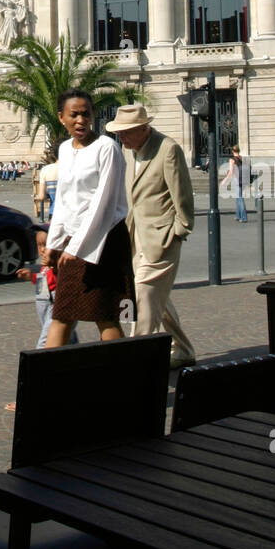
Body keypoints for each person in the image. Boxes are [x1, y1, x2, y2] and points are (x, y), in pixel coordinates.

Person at [106, 105, 196, 370]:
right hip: (134, 237)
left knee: (143, 298)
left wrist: (179, 230)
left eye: (127, 132)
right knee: (158, 299)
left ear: (144, 128)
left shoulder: (167, 149)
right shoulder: (127, 150)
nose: (122, 138)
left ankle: (135, 362)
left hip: (162, 239)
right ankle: (184, 349)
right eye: (119, 133)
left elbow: (182, 193)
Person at [44, 90, 135, 347]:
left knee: (105, 316)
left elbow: (103, 203)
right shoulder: (64, 149)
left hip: (103, 242)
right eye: (74, 115)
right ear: (61, 117)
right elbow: (63, 200)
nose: (81, 120)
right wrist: (54, 243)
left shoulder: (107, 147)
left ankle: (122, 377)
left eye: (86, 114)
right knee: (62, 313)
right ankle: (46, 380)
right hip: (74, 243)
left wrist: (75, 247)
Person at [15, 226, 78, 348]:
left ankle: (40, 359)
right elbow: (44, 280)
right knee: (63, 333)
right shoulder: (45, 263)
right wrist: (32, 277)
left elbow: (59, 279)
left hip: (54, 302)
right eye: (39, 245)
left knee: (48, 336)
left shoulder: (59, 262)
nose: (42, 250)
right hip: (43, 300)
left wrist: (54, 266)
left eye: (46, 245)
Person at [225, 145, 247, 222]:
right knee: (238, 197)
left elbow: (231, 172)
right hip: (243, 180)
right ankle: (238, 215)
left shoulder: (232, 160)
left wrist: (225, 180)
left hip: (236, 179)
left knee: (240, 198)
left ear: (232, 151)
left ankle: (243, 217)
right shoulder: (242, 158)